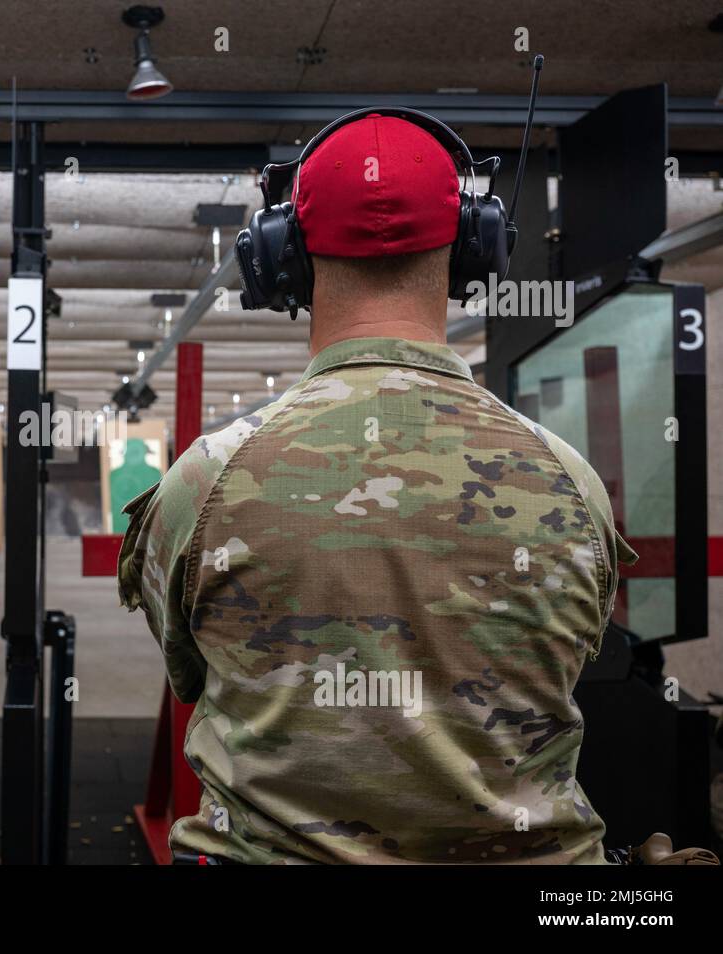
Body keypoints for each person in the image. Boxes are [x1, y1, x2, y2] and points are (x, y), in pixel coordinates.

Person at [118, 112, 640, 865]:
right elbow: (569, 664)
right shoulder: (569, 480)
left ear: (283, 256)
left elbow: (190, 676)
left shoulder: (205, 481)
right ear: (473, 249)